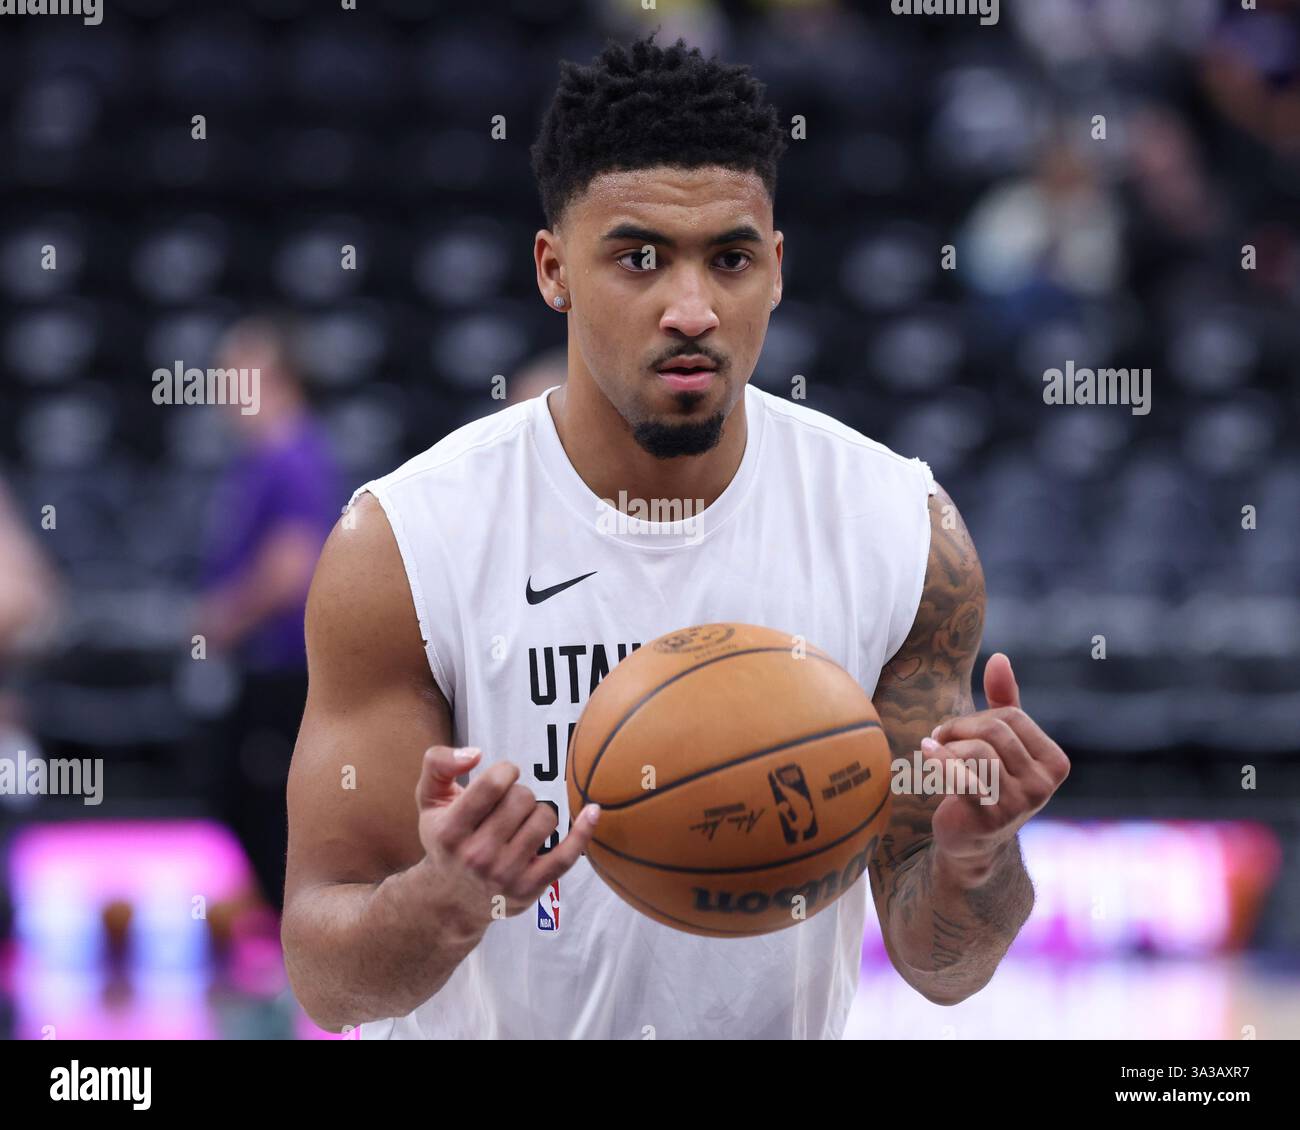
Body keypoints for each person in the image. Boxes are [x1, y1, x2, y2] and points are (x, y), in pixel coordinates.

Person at [281, 35, 1069, 1039]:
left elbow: (942, 962)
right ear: (553, 268)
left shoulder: (900, 528)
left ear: (776, 270)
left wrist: (975, 859)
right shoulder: (401, 545)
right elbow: (325, 976)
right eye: (638, 256)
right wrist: (449, 894)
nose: (691, 308)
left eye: (729, 258)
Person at [195, 316, 341, 916]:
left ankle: (292, 951)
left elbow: (293, 566)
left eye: (237, 375)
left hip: (283, 672)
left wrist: (221, 620)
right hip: (262, 670)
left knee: (264, 808)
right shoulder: (260, 460)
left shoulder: (292, 456)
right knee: (241, 803)